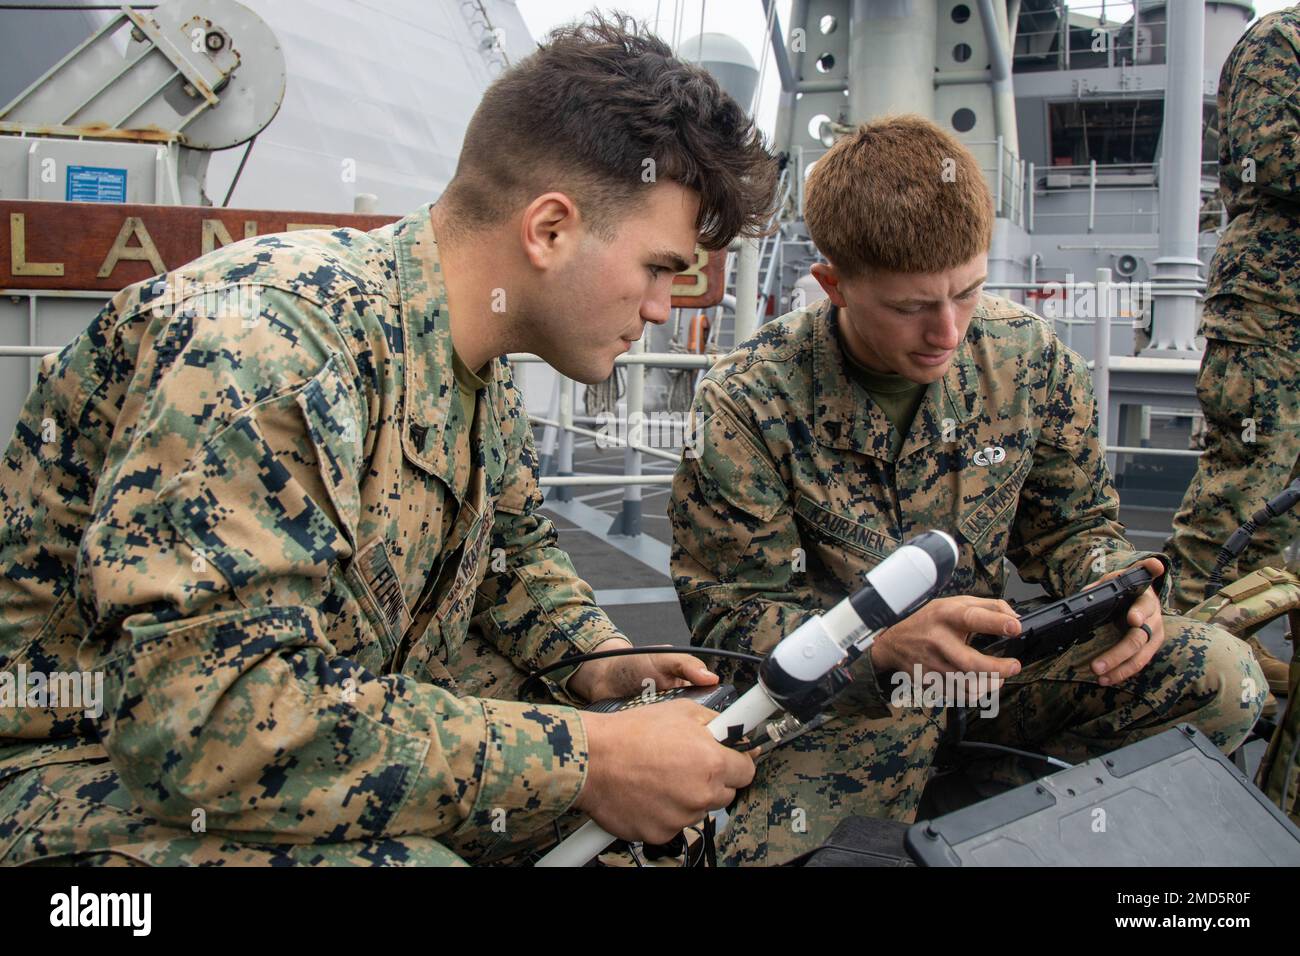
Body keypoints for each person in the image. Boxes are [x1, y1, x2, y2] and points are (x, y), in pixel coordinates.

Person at [0, 14, 775, 866]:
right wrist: (586, 758)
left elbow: (512, 565)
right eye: (659, 267)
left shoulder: (476, 364)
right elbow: (205, 721)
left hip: (322, 715)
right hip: (80, 770)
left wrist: (600, 663)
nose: (665, 308)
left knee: (664, 826)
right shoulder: (272, 346)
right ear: (549, 230)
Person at [669, 115, 1265, 866]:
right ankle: (965, 817)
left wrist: (1112, 581)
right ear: (834, 285)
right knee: (748, 855)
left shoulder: (1027, 359)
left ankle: (974, 812)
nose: (947, 331)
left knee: (1222, 677)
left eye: (969, 292)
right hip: (839, 709)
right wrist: (882, 652)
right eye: (911, 307)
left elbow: (1074, 526)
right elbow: (730, 621)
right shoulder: (747, 401)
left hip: (997, 677)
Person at [1164, 6, 1300, 697]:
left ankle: (1250, 638)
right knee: (1247, 487)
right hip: (1273, 310)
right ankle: (1185, 658)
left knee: (1292, 500)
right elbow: (1273, 156)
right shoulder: (1281, 40)